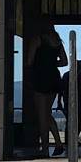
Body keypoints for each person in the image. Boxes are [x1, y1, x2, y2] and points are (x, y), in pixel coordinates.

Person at [28, 26, 67, 154]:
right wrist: (52, 63)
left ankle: (45, 147)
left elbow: (29, 60)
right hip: (53, 78)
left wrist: (39, 64)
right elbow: (64, 62)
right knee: (46, 113)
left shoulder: (37, 39)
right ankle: (57, 143)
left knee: (42, 115)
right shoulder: (57, 41)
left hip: (40, 77)